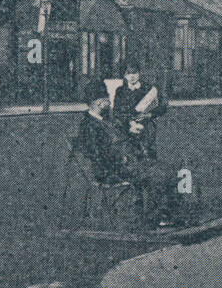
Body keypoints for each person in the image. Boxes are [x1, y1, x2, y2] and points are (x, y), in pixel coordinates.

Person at [75, 80, 182, 228]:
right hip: (111, 170)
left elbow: (120, 137)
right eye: (107, 99)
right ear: (99, 102)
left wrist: (132, 133)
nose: (110, 102)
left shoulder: (105, 120)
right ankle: (158, 218)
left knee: (167, 169)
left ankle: (164, 215)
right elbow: (97, 154)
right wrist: (122, 159)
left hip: (126, 163)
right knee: (158, 174)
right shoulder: (89, 126)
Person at [112, 64, 165, 162]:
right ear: (124, 75)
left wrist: (149, 114)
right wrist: (130, 122)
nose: (132, 76)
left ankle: (148, 160)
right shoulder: (120, 91)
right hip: (127, 125)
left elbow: (163, 106)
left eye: (134, 73)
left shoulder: (149, 89)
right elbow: (116, 111)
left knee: (147, 153)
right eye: (128, 73)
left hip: (146, 124)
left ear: (139, 74)